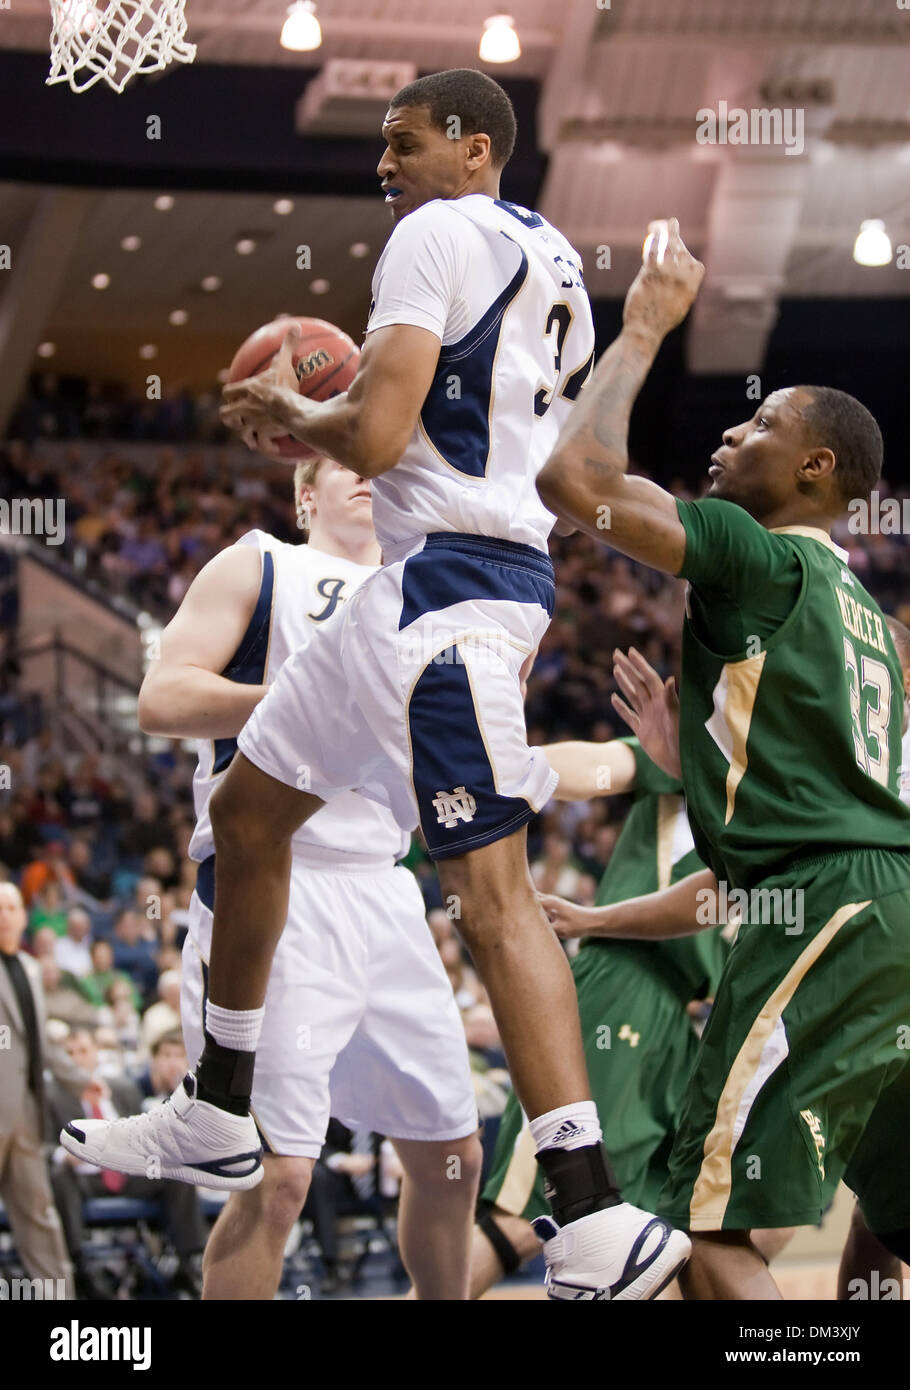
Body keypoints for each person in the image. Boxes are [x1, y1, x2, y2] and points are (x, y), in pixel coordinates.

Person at [62, 67, 689, 1302]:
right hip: (430, 582)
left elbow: (385, 431)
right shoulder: (553, 254)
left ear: (470, 145)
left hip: (453, 590)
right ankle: (218, 1101)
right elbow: (528, 445)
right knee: (245, 813)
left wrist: (294, 407)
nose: (383, 165)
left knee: (493, 894)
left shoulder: (431, 231)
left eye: (402, 143)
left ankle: (592, 1210)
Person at [535, 217, 910, 1298]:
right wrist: (700, 762)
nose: (728, 438)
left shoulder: (753, 554)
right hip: (885, 913)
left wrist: (645, 323)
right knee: (884, 1215)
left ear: (815, 466)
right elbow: (809, 793)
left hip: (827, 907)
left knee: (712, 1229)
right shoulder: (866, 615)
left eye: (756, 426)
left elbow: (578, 475)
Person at [67, 458, 481, 1300]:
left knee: (452, 1157)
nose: (369, 476)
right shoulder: (262, 561)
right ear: (305, 496)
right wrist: (309, 700)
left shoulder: (427, 589)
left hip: (384, 885)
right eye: (346, 466)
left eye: (382, 465)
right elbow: (163, 696)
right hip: (273, 883)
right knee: (277, 1178)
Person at [472, 730, 732, 1296]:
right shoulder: (696, 753)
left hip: (684, 1019)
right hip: (623, 983)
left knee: (674, 1228)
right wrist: (509, 766)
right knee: (531, 1216)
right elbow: (601, 765)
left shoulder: (785, 793)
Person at [47, 1026, 206, 1299]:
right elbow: (40, 1147)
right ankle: (79, 1267)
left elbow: (145, 1133)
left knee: (175, 1169)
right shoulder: (51, 1095)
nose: (76, 1058)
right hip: (84, 1178)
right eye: (69, 1053)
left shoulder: (122, 1088)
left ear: (96, 1054)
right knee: (60, 1175)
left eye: (83, 1051)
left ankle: (188, 1264)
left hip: (126, 1172)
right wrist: (64, 1155)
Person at [0, 881, 93, 1298]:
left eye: (12, 907)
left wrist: (82, 1078)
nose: (5, 915)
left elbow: (42, 1044)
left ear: (24, 916)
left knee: (38, 1214)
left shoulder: (32, 968)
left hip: (25, 1112)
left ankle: (60, 1302)